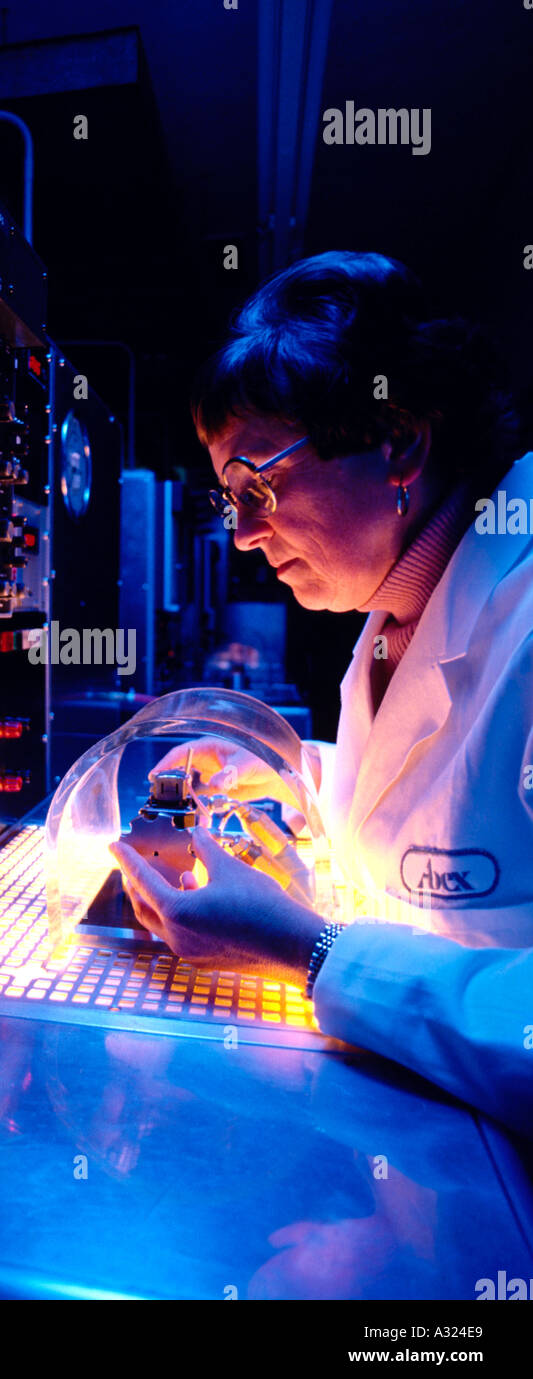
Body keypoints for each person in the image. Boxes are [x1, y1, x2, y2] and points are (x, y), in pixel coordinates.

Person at [109, 250, 533, 1138]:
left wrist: (308, 950)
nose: (245, 535)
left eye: (255, 485)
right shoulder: (400, 606)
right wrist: (289, 773)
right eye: (229, 500)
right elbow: (432, 789)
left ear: (400, 440)